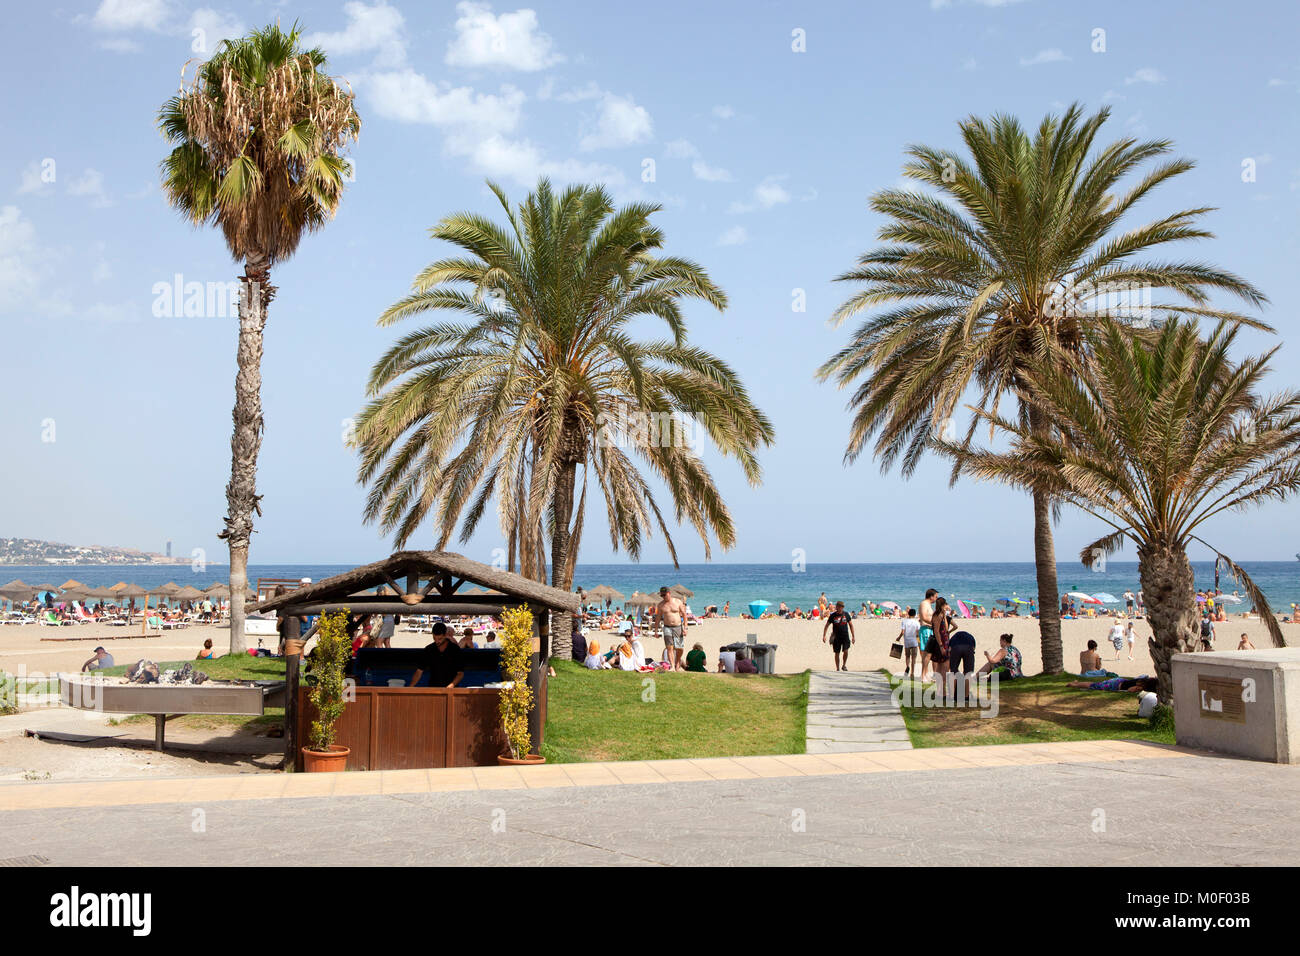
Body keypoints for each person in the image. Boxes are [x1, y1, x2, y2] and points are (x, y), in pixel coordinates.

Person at [408, 622, 464, 688]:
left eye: (440, 639)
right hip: (433, 688)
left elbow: (460, 673)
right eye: (434, 638)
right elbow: (419, 671)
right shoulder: (429, 649)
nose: (437, 641)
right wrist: (411, 686)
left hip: (451, 689)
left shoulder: (455, 649)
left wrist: (451, 685)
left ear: (445, 635)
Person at [656, 586, 688, 671]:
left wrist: (686, 628)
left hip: (678, 627)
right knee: (669, 648)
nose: (663, 597)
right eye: (661, 595)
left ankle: (677, 661)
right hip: (667, 627)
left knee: (679, 648)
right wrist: (655, 630)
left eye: (664, 595)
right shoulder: (660, 605)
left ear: (669, 593)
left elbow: (684, 614)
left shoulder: (678, 602)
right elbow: (658, 618)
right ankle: (673, 666)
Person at [822, 600, 855, 671]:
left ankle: (844, 665)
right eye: (837, 606)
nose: (837, 607)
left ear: (842, 607)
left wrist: (853, 636)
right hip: (836, 637)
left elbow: (851, 625)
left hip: (845, 636)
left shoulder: (846, 614)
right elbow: (826, 625)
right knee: (837, 653)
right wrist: (824, 635)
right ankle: (837, 668)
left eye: (839, 606)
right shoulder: (833, 615)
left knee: (846, 651)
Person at [929, 597, 952, 692]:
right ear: (943, 605)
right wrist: (941, 646)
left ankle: (940, 690)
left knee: (940, 665)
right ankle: (942, 691)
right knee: (945, 665)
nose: (947, 606)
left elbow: (946, 628)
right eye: (945, 605)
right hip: (941, 642)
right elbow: (937, 631)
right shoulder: (937, 615)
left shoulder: (941, 615)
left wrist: (945, 614)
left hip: (944, 640)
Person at [918, 588, 937, 681]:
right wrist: (935, 623)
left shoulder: (928, 605)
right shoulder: (924, 604)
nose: (936, 599)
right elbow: (924, 617)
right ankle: (923, 675)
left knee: (929, 654)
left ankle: (926, 674)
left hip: (930, 630)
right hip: (926, 630)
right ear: (931, 596)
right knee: (926, 654)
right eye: (935, 597)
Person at [898, 607, 921, 678]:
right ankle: (912, 672)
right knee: (914, 658)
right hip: (914, 641)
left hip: (907, 641)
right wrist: (919, 642)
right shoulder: (917, 622)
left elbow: (902, 632)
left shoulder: (904, 621)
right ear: (914, 615)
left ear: (908, 614)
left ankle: (907, 666)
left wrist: (898, 638)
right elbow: (917, 633)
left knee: (907, 656)